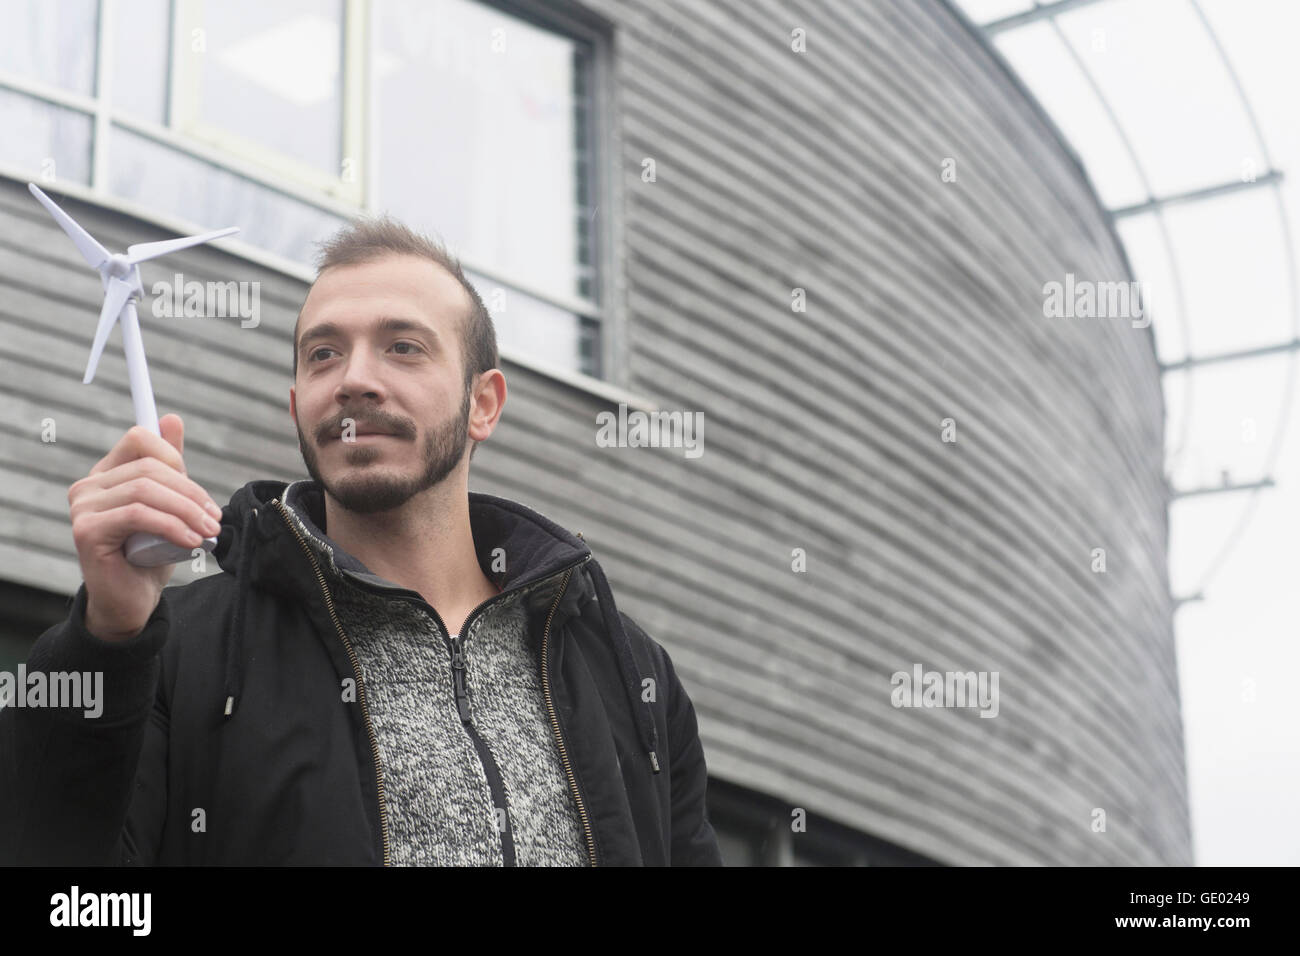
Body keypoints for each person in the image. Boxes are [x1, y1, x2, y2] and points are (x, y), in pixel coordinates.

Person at [0, 216, 723, 866]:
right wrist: (106, 639)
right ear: (295, 408)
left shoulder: (628, 676)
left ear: (483, 403)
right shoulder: (182, 653)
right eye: (322, 355)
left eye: (403, 347)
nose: (354, 380)